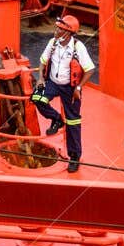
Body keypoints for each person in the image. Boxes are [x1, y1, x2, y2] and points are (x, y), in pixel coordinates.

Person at [31, 14, 95, 174]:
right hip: (52, 83)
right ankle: (57, 119)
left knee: (73, 121)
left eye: (60, 28)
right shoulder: (52, 43)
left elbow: (90, 69)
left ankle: (74, 157)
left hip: (69, 87)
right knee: (37, 97)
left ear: (68, 32)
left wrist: (79, 88)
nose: (57, 30)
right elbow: (43, 61)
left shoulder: (77, 47)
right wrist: (40, 78)